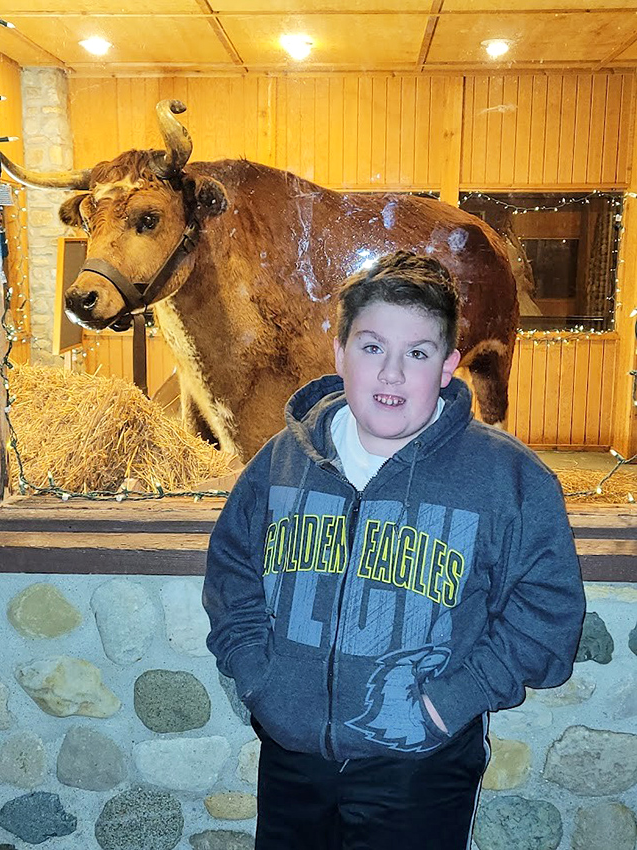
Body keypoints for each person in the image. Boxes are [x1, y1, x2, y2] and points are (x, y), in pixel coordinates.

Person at [202, 250, 585, 850]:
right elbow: (232, 574)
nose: (391, 374)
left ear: (448, 367)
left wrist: (441, 707)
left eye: (417, 353)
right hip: (292, 759)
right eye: (372, 346)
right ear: (339, 353)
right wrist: (260, 681)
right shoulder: (277, 463)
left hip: (421, 768)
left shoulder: (510, 480)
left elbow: (549, 619)